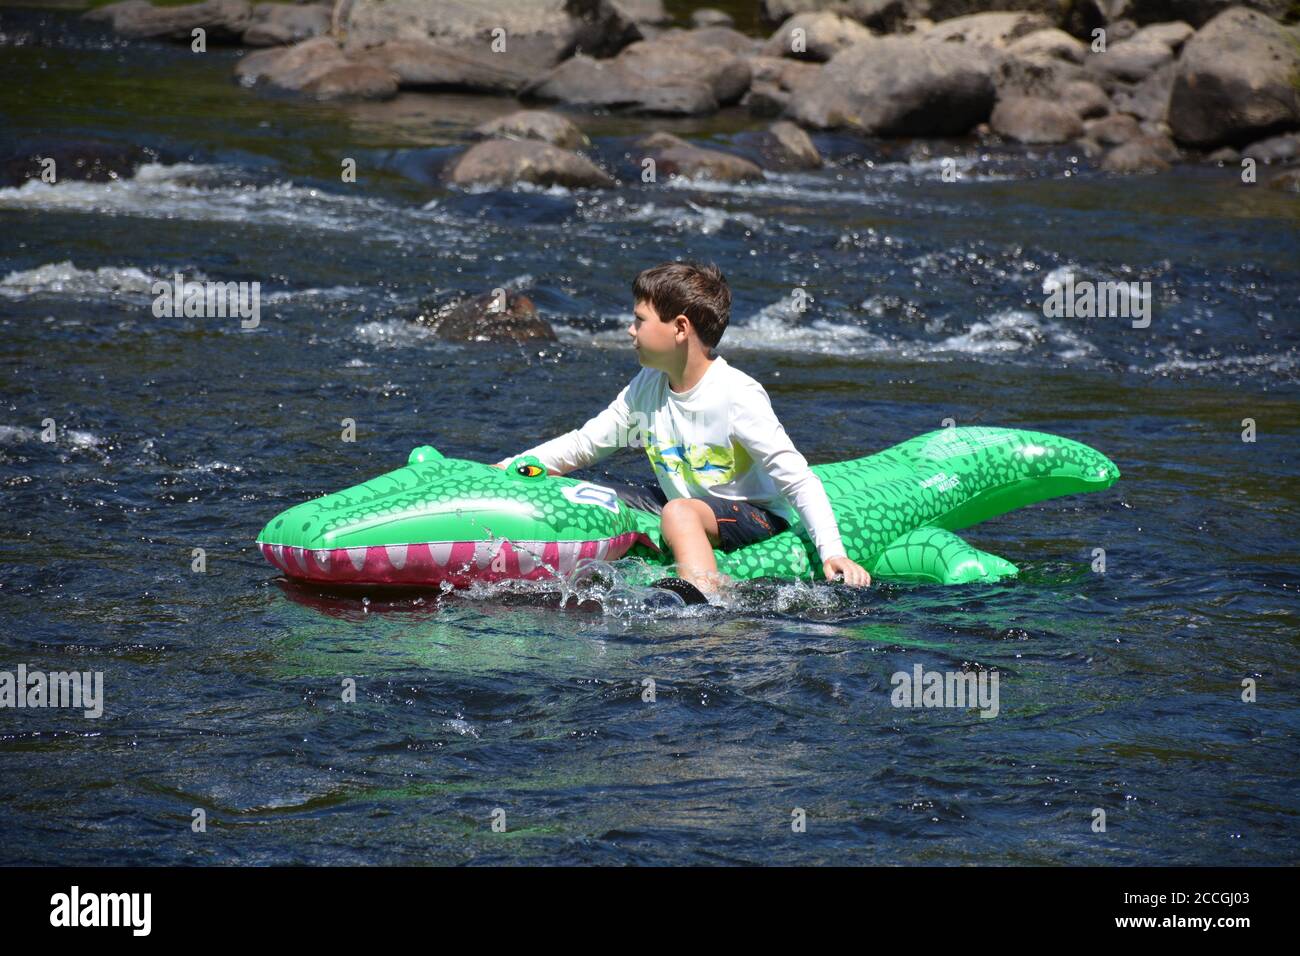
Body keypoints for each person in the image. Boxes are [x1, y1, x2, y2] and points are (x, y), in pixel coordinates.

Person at [492, 261, 870, 597]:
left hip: (755, 515)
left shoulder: (736, 394)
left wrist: (833, 551)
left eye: (640, 319)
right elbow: (585, 445)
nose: (629, 329)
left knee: (680, 514)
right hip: (682, 500)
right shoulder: (647, 384)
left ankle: (707, 602)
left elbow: (797, 480)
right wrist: (509, 468)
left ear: (680, 328)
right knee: (587, 492)